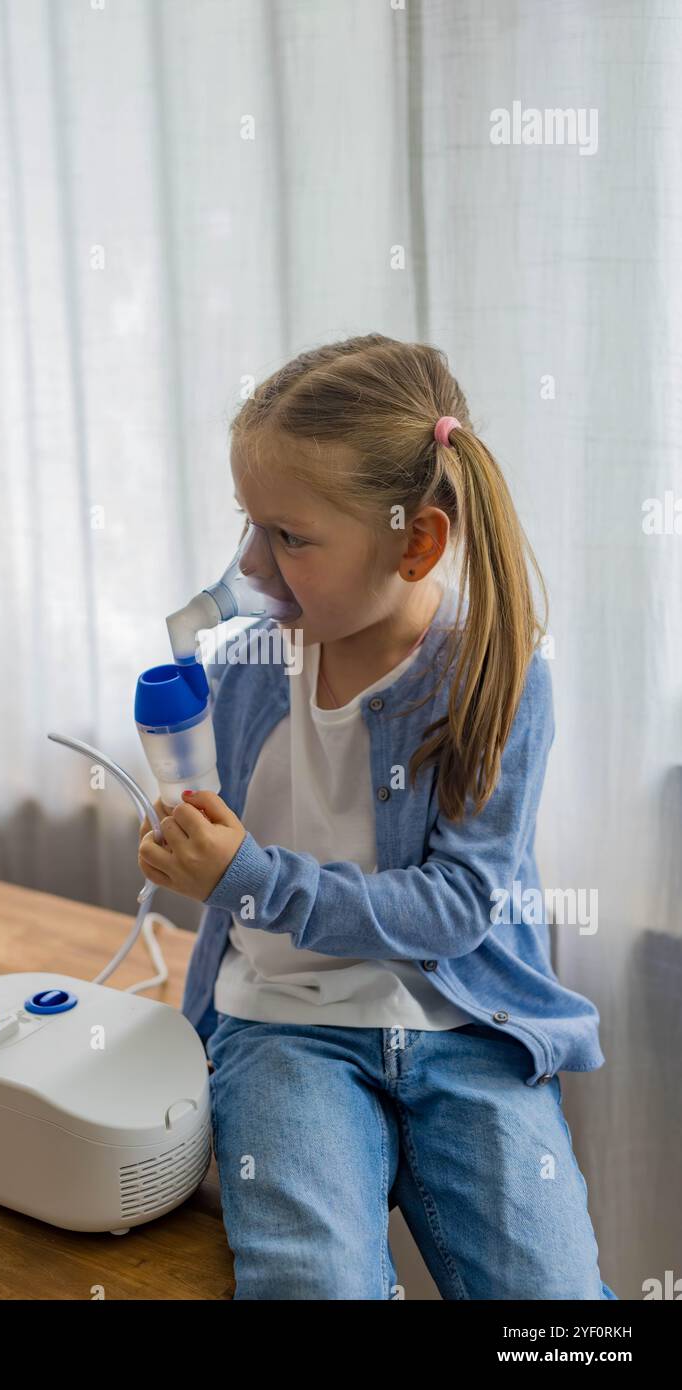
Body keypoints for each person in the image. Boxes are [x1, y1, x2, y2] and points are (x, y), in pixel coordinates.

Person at [138, 334, 617, 1301]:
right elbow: (221, 841)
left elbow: (454, 907)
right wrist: (186, 843)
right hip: (281, 1026)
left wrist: (247, 877)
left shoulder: (495, 680)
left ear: (417, 541)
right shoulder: (245, 667)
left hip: (466, 1027)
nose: (250, 567)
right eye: (249, 526)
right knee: (309, 1283)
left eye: (290, 537)